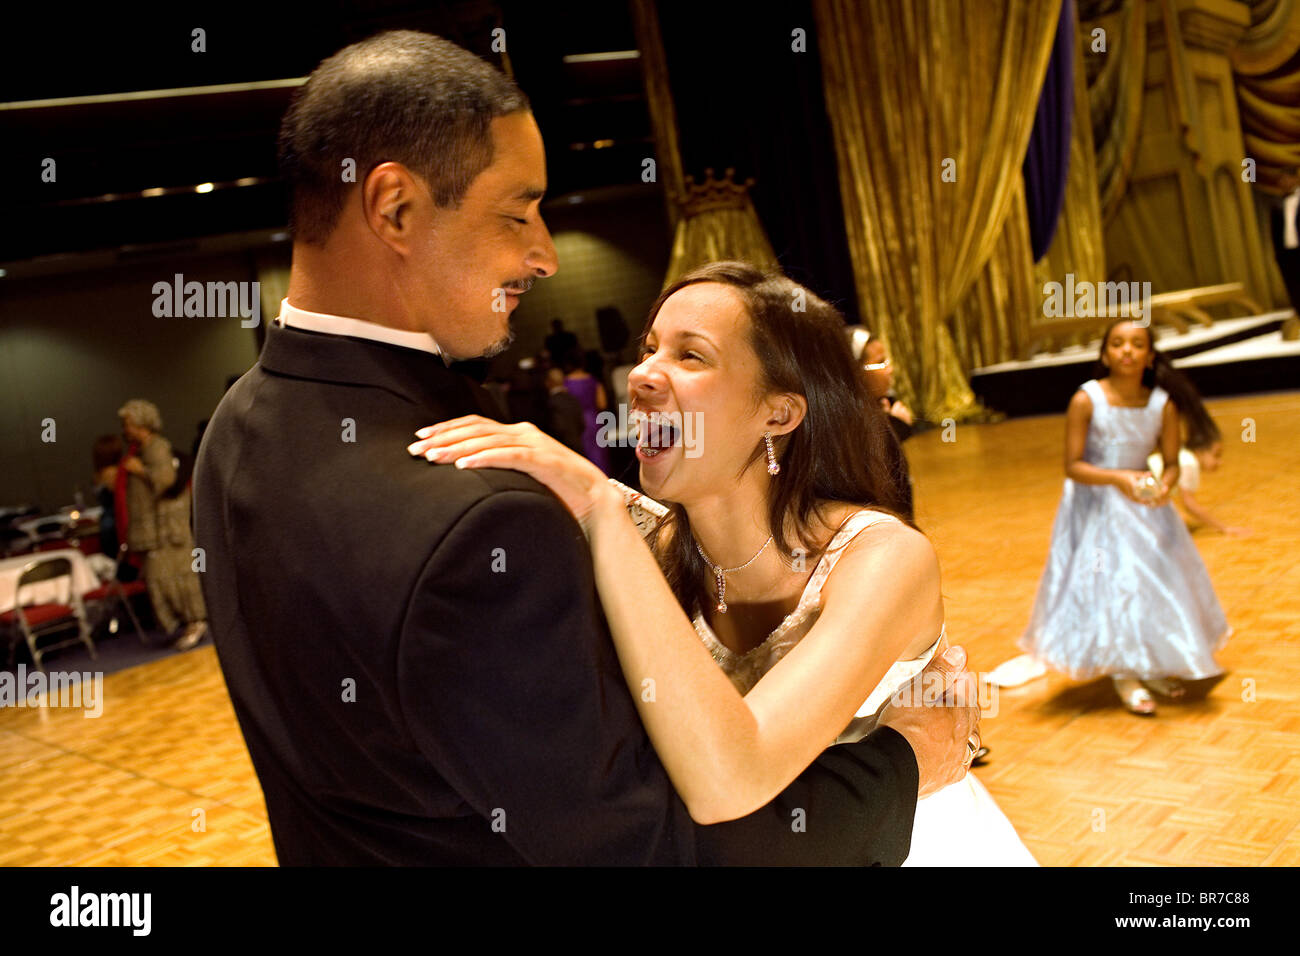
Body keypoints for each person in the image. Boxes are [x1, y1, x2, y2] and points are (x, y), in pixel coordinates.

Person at [194, 30, 978, 866]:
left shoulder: (236, 432)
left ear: (781, 412)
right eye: (518, 210)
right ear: (395, 208)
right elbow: (639, 842)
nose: (545, 253)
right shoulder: (489, 525)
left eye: (691, 355)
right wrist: (902, 768)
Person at [410, 262, 1032, 866]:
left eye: (690, 355)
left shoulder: (882, 558)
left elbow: (733, 777)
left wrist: (598, 501)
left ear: (779, 414)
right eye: (650, 348)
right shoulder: (646, 547)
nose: (644, 374)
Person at [1018, 319, 1231, 715]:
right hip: (1097, 502)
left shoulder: (1161, 404)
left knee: (1153, 582)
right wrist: (1118, 478)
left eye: (1137, 344)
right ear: (1104, 354)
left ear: (1150, 357)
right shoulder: (1087, 400)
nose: (1127, 351)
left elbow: (1170, 464)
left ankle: (1147, 662)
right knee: (1113, 583)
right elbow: (1073, 465)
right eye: (1118, 344)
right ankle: (1124, 673)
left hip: (1145, 506)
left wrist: (1163, 486)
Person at [118, 399, 206, 650]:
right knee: (160, 579)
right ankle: (184, 623)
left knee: (176, 578)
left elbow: (165, 480)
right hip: (154, 531)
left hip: (167, 531)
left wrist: (140, 471)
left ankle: (195, 622)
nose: (124, 429)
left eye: (128, 424)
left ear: (140, 424)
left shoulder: (156, 449)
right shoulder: (140, 450)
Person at [1146, 394, 1249, 537]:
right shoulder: (1189, 463)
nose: (1219, 462)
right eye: (1216, 455)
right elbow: (1189, 504)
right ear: (1199, 451)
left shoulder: (1183, 457)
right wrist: (1223, 528)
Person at [562, 348, 611, 475]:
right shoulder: (593, 381)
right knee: (600, 455)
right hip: (594, 420)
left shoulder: (565, 383)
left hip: (575, 422)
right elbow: (602, 403)